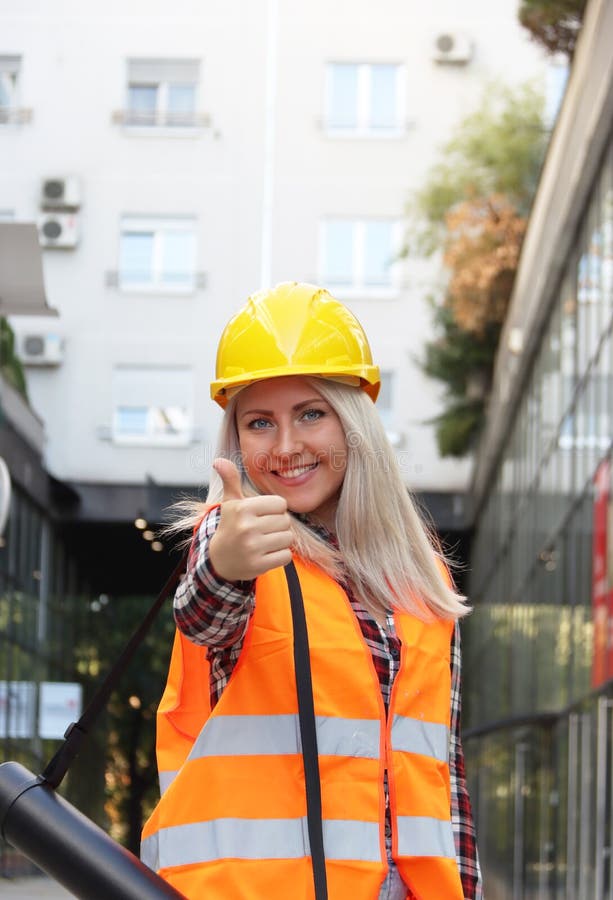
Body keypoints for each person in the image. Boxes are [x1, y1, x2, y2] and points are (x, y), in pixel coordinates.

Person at [141, 282, 482, 900]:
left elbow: (444, 777)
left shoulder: (422, 578)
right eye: (260, 423)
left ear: (353, 424)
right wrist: (226, 562)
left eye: (310, 414)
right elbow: (204, 613)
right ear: (236, 439)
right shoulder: (240, 536)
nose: (287, 446)